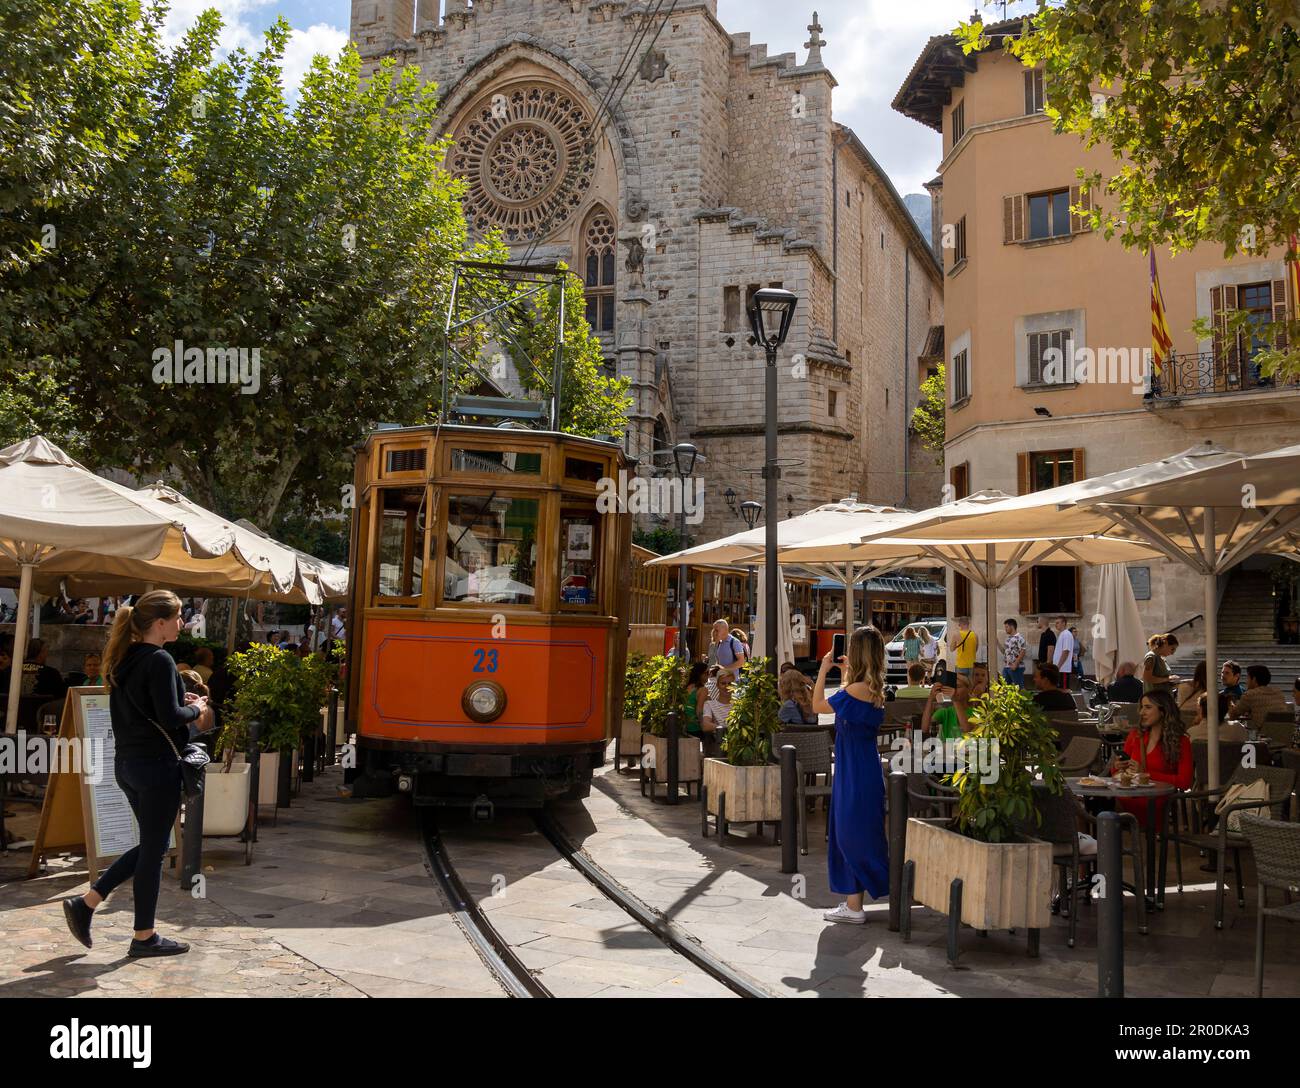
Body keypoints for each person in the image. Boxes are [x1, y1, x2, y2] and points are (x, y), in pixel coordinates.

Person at [61, 590, 216, 959]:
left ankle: (89, 903)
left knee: (153, 845)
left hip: (128, 765)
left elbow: (145, 711)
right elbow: (170, 717)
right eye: (178, 617)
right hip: (157, 766)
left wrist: (182, 706)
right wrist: (198, 709)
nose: (182, 623)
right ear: (160, 623)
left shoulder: (124, 658)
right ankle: (142, 935)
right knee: (153, 850)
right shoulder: (160, 660)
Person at [813, 626, 889, 925]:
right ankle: (854, 905)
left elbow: (817, 705)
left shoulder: (853, 690)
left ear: (856, 653)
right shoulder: (870, 688)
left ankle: (883, 883)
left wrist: (823, 669)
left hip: (853, 773)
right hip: (864, 769)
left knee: (848, 835)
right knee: (856, 834)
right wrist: (845, 675)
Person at [1108, 689, 1192, 827]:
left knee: (1102, 808)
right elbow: (1117, 774)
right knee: (1092, 803)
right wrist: (1117, 768)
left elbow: (1184, 782)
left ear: (1163, 710)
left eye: (1147, 707)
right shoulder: (1135, 736)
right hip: (1130, 794)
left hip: (1156, 799)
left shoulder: (1180, 741)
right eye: (1141, 707)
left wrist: (1145, 773)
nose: (1141, 712)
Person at [922, 664, 989, 741]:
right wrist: (931, 698)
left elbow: (967, 729)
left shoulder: (976, 713)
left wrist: (955, 699)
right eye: (953, 687)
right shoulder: (946, 712)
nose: (954, 690)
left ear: (968, 689)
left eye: (958, 687)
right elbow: (924, 728)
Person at [1230, 665, 1287, 729]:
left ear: (1254, 679)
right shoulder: (1278, 692)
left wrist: (1230, 704)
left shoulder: (1250, 695)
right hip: (1283, 735)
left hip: (1263, 735)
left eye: (1248, 678)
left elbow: (1233, 716)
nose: (1246, 682)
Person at [1000, 618, 1026, 687]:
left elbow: (1023, 651)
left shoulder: (1020, 638)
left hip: (1017, 667)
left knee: (1018, 688)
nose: (1005, 629)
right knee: (1005, 687)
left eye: (1006, 627)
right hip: (1007, 667)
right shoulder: (1007, 639)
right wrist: (997, 643)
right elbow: (1004, 652)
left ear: (1012, 626)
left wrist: (1015, 664)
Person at [950, 616, 978, 681]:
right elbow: (975, 649)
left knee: (961, 686)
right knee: (971, 686)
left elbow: (951, 649)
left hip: (961, 664)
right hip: (972, 665)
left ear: (960, 624)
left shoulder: (956, 635)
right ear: (968, 624)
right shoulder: (975, 635)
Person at [1052, 616, 1076, 690]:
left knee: (1064, 690)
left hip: (1063, 668)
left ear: (1064, 623)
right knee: (1060, 689)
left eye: (1058, 623)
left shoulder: (1066, 634)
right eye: (1055, 623)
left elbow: (1066, 651)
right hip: (1060, 668)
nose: (1056, 625)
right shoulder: (1062, 634)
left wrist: (1058, 666)